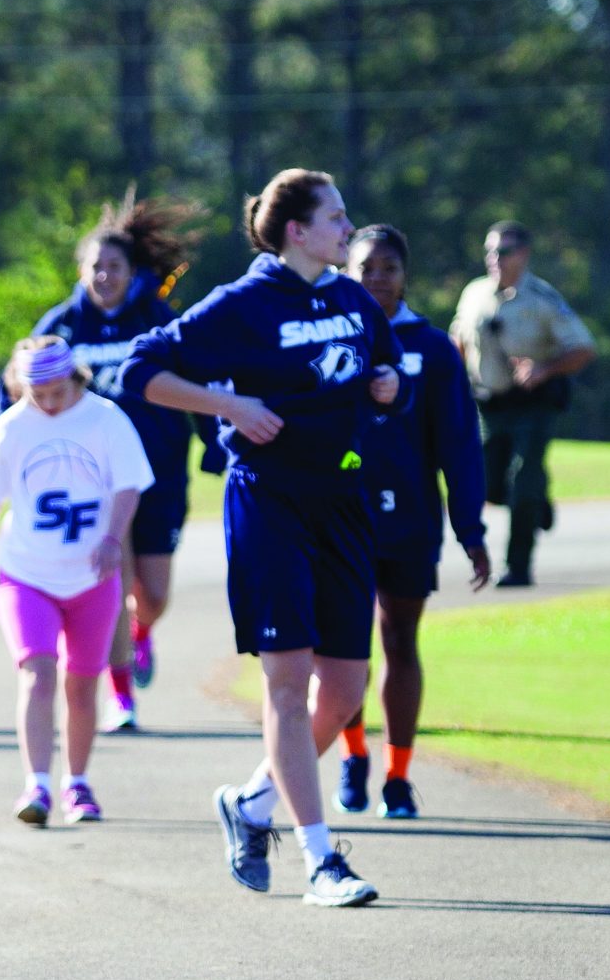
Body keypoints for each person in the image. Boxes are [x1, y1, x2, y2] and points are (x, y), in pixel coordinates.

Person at [118, 168, 399, 909]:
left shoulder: (349, 296)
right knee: (287, 679)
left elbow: (381, 359)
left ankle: (250, 804)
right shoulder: (243, 304)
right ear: (296, 230)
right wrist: (227, 404)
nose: (348, 228)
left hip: (342, 500)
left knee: (342, 691)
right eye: (336, 217)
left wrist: (387, 384)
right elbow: (141, 369)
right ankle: (320, 860)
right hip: (268, 502)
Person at [1, 199, 207, 734]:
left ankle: (141, 636)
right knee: (113, 580)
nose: (104, 275)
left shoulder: (158, 321)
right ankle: (121, 699)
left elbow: (198, 382)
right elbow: (21, 390)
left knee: (153, 596)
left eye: (114, 267)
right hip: (87, 482)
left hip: (156, 471)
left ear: (132, 273)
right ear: (81, 272)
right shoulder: (62, 325)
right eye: (95, 267)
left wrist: (214, 443)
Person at [334, 224, 491, 819]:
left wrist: (469, 529)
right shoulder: (324, 337)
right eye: (365, 268)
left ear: (405, 274)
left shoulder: (429, 347)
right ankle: (353, 757)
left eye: (388, 269)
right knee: (345, 645)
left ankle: (398, 777)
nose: (377, 279)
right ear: (348, 273)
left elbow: (458, 442)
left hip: (409, 521)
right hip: (338, 514)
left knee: (399, 638)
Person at [0, 336, 151, 825]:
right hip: (27, 576)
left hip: (92, 576)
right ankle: (37, 786)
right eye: (35, 393)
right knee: (38, 672)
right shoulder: (10, 429)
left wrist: (113, 539)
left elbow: (128, 486)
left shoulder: (107, 418)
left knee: (82, 685)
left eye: (56, 392)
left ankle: (78, 782)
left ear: (75, 379)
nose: (47, 402)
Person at [451, 221, 597, 588]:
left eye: (502, 252)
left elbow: (583, 348)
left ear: (523, 255)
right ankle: (538, 505)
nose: (493, 259)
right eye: (489, 251)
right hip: (488, 403)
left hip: (533, 404)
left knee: (523, 479)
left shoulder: (543, 299)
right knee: (486, 486)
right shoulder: (474, 293)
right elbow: (458, 340)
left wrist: (544, 369)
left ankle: (518, 567)